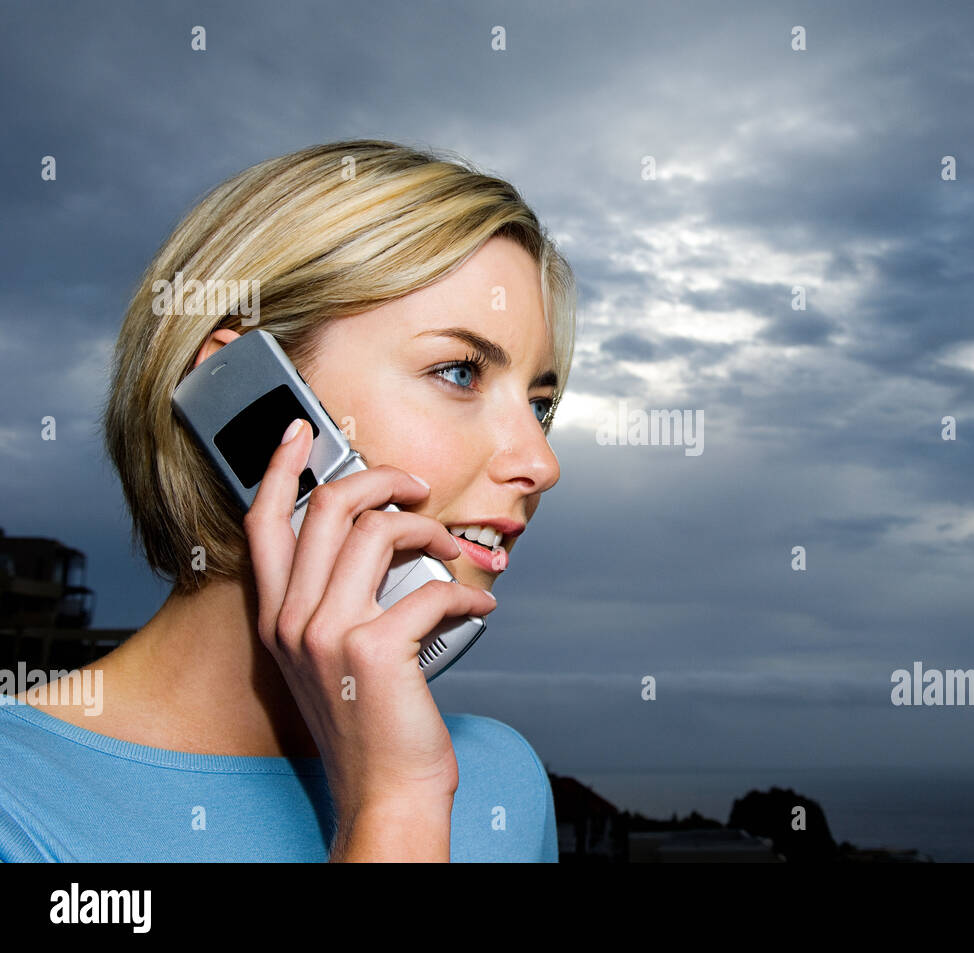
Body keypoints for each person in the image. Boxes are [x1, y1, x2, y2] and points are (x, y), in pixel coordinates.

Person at [0, 140, 576, 862]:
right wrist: (393, 809)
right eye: (459, 371)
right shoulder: (18, 809)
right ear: (240, 395)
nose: (540, 462)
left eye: (540, 404)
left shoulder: (499, 785)